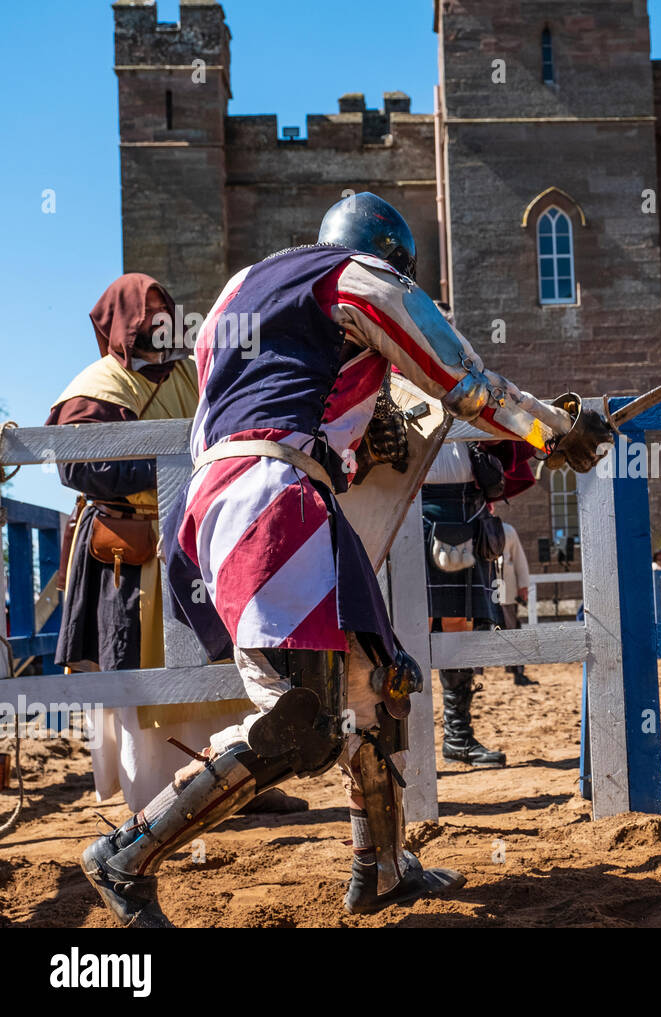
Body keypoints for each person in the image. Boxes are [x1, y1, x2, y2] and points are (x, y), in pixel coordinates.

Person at [78, 192, 612, 928]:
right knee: (298, 719)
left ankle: (382, 866)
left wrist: (366, 431)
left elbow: (287, 395)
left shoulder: (242, 288)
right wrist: (554, 429)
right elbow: (460, 379)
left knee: (379, 684)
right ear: (391, 258)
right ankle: (126, 855)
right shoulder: (358, 278)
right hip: (273, 494)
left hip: (238, 497)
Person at [48, 275, 255, 814]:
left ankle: (241, 787)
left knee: (225, 671)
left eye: (165, 312)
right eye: (147, 314)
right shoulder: (95, 388)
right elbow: (78, 465)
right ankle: (158, 800)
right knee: (147, 680)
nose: (158, 324)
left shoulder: (195, 376)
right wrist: (170, 471)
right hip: (133, 554)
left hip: (200, 543)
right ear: (119, 322)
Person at [424, 439, 537, 765]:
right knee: (412, 629)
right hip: (413, 506)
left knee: (460, 629)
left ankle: (457, 737)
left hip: (468, 511)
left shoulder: (466, 389)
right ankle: (407, 741)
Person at [495, 509, 536, 687]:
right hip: (489, 588)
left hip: (505, 588)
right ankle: (473, 675)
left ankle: (517, 672)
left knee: (512, 629)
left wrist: (523, 586)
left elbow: (518, 559)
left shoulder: (507, 531)